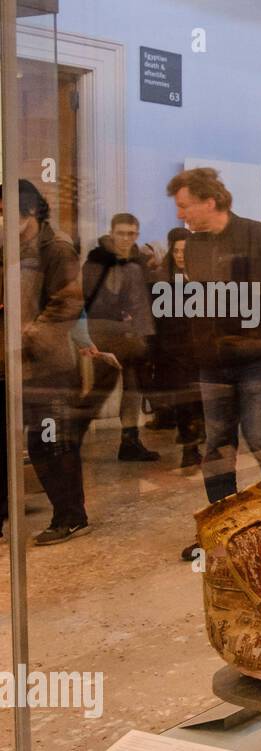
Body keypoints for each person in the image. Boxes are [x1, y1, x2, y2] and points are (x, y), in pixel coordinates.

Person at [167, 167, 261, 560]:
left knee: (260, 434)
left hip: (256, 358)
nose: (182, 215)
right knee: (217, 443)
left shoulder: (257, 235)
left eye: (185, 206)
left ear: (209, 201)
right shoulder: (195, 246)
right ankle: (223, 529)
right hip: (213, 361)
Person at [0, 179, 91, 544]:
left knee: (49, 443)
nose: (4, 217)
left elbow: (68, 303)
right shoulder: (10, 247)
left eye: (8, 210)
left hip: (45, 367)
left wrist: (28, 334)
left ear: (30, 210)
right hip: (10, 363)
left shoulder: (56, 248)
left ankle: (70, 515)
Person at [82, 212, 160, 461]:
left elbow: (140, 305)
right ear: (112, 233)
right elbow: (88, 302)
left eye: (131, 234)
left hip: (130, 337)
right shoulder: (96, 262)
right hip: (104, 335)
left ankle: (129, 441)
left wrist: (144, 339)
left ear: (137, 235)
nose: (126, 238)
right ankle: (72, 437)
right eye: (121, 233)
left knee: (132, 389)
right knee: (100, 388)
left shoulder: (137, 264)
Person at [149, 227, 206, 468]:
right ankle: (190, 448)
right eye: (177, 250)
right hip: (175, 350)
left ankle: (195, 439)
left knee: (199, 399)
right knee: (185, 401)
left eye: (185, 250)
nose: (181, 255)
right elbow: (157, 317)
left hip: (200, 350)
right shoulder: (162, 279)